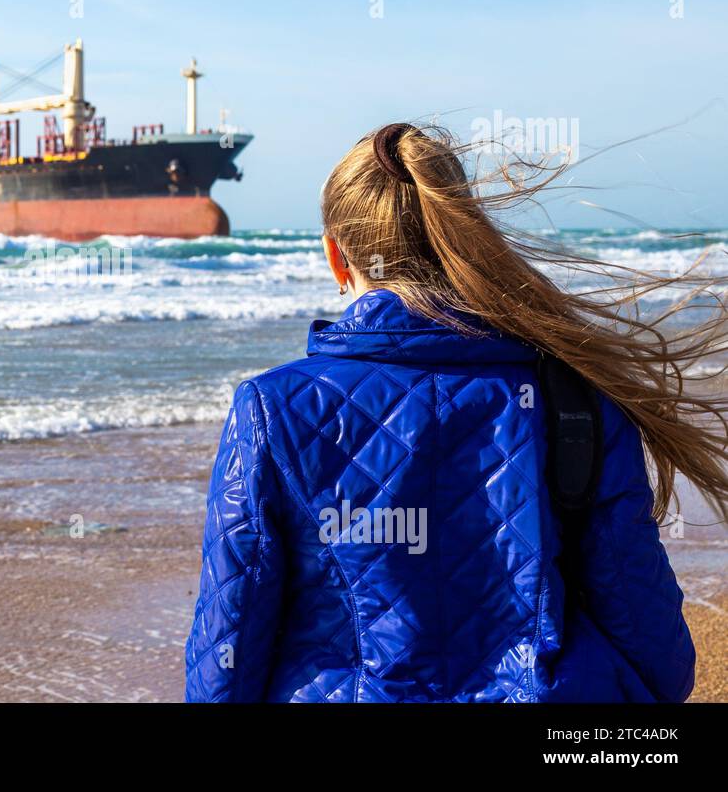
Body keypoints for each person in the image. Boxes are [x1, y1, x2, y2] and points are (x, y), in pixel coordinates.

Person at [184, 122, 728, 702]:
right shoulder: (576, 397)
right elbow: (654, 649)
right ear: (462, 239)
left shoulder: (271, 409)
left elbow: (231, 644)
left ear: (336, 256)